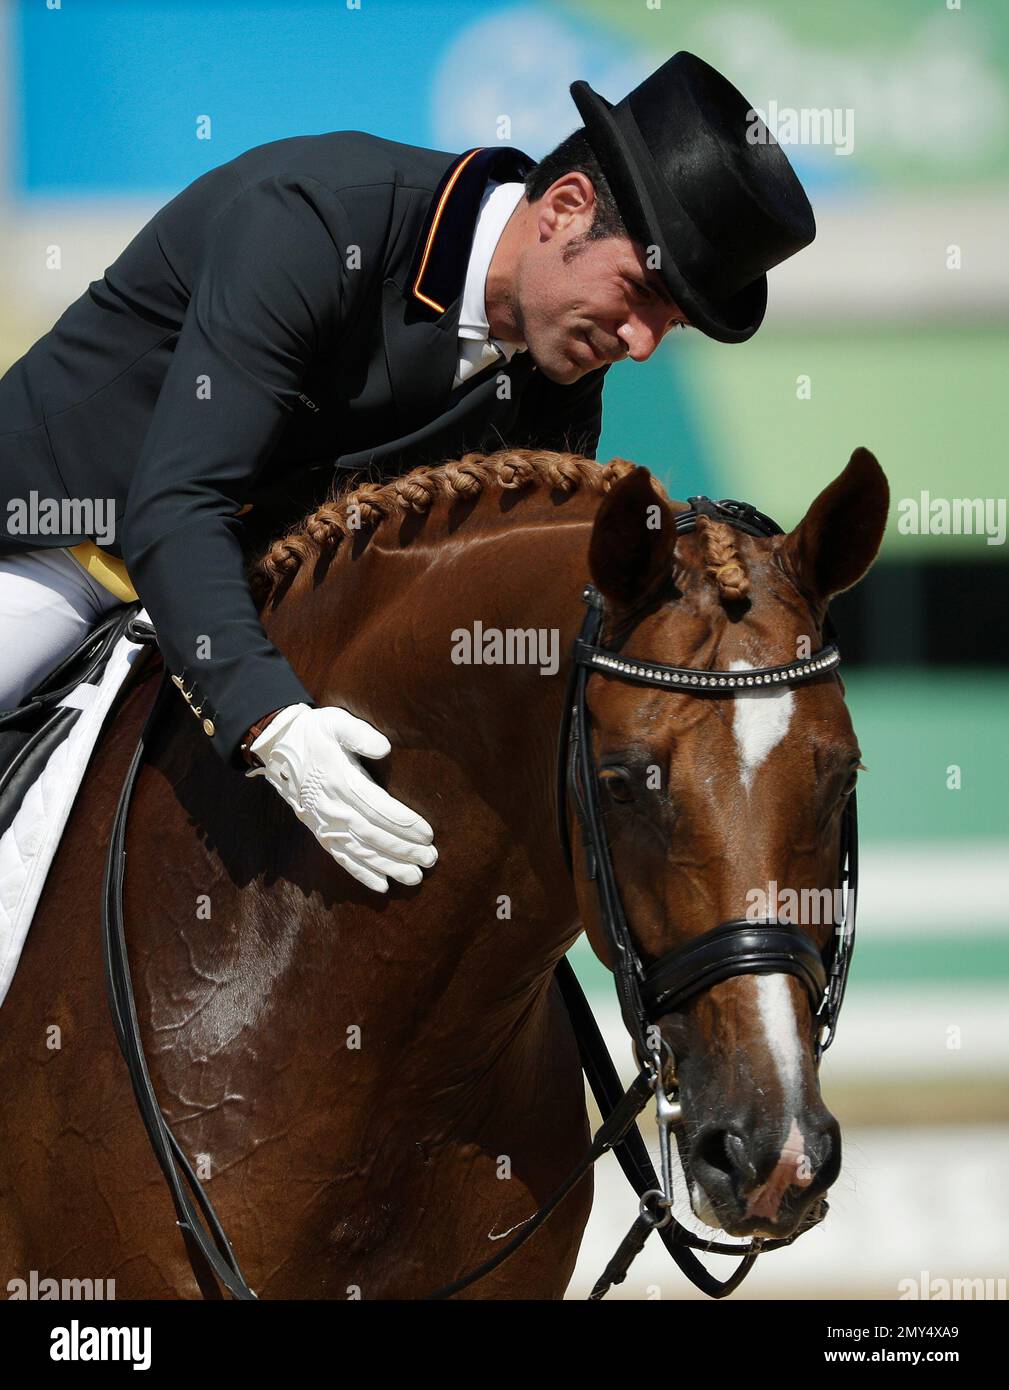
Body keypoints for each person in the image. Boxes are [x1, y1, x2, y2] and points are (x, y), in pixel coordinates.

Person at [0, 52, 815, 893]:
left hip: (257, 607)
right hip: (58, 549)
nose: (640, 344)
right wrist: (270, 723)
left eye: (666, 324)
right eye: (640, 293)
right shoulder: (316, 220)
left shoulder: (558, 360)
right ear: (565, 209)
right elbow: (174, 507)